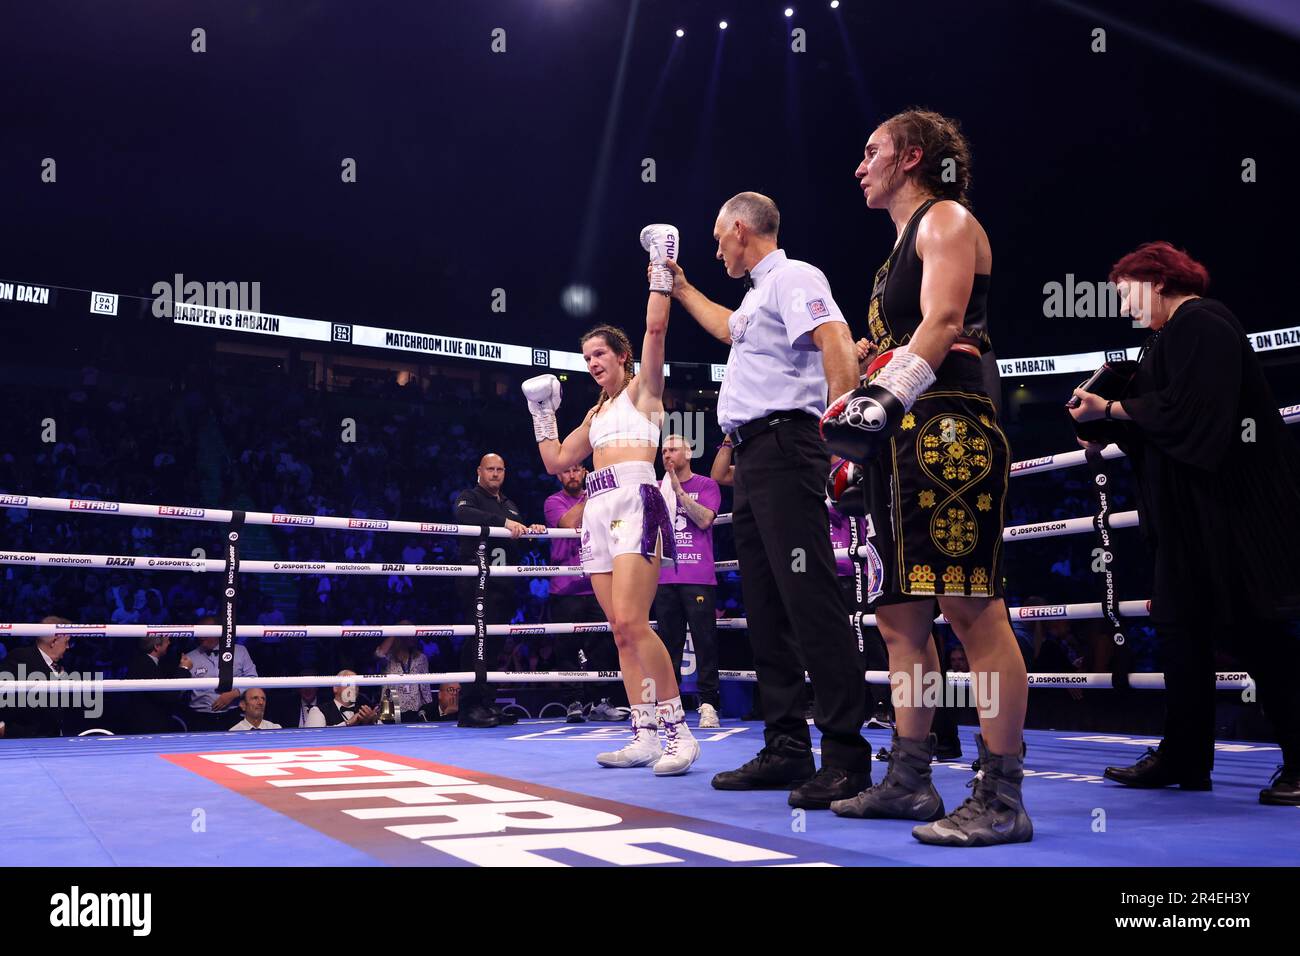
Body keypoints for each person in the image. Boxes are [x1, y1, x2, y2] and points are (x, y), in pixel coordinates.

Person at [821, 110, 1031, 845]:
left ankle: (1002, 795)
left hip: (948, 430)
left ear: (912, 156)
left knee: (971, 608)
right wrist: (856, 435)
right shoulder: (891, 260)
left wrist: (880, 399)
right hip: (900, 440)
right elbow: (891, 350)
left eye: (871, 151)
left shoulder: (946, 218)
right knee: (900, 618)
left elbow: (943, 322)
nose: (860, 165)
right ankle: (911, 779)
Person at [1069, 241, 1300, 805]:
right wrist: (1101, 422)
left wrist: (1114, 411)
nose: (1125, 307)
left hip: (1234, 514)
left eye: (1126, 293)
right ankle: (1185, 756)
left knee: (1258, 635)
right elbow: (1161, 418)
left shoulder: (1205, 322)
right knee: (1180, 632)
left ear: (1156, 280)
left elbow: (1197, 417)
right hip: (1189, 519)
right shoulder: (1163, 341)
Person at [664, 193, 871, 808]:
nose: (714, 246)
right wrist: (679, 287)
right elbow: (727, 326)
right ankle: (786, 747)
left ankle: (845, 757)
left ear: (737, 228)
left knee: (810, 602)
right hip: (753, 459)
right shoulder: (756, 297)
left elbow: (836, 339)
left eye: (716, 236)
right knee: (766, 607)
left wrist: (845, 439)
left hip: (788, 446)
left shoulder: (795, 275)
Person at [520, 223, 700, 775]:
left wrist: (660, 267)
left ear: (621, 357)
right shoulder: (593, 415)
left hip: (636, 502)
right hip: (597, 511)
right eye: (586, 359)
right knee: (620, 629)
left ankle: (679, 731)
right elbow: (555, 462)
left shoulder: (645, 391)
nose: (592, 363)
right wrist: (542, 412)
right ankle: (642, 730)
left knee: (635, 620)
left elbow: (655, 327)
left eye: (599, 354)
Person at [452, 453, 546, 728]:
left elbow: (517, 542)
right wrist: (503, 524)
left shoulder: (510, 504)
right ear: (479, 471)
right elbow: (463, 515)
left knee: (494, 645)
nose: (495, 474)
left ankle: (487, 703)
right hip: (478, 582)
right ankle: (469, 708)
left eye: (500, 469)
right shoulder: (470, 496)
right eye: (490, 469)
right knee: (478, 642)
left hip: (504, 585)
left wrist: (531, 531)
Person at [543, 462, 624, 722]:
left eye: (577, 470)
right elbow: (568, 523)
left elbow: (617, 530)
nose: (572, 475)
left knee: (604, 646)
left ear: (585, 472)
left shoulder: (604, 501)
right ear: (559, 475)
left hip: (598, 583)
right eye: (567, 470)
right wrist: (591, 496)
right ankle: (573, 702)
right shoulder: (553, 501)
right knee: (567, 648)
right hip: (566, 587)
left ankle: (601, 702)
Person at [654, 433, 723, 728]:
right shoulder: (655, 489)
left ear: (688, 453)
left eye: (673, 449)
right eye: (664, 450)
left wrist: (679, 492)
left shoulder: (706, 485)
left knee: (705, 641)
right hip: (664, 576)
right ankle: (671, 705)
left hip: (698, 576)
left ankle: (708, 704)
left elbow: (705, 519)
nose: (667, 455)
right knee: (668, 644)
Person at [0, 619, 74, 738]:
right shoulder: (22, 657)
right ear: (54, 641)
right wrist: (2, 728)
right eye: (66, 642)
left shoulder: (61, 665)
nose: (68, 647)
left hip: (53, 741)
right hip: (24, 742)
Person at [185, 618, 258, 732]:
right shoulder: (189, 657)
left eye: (205, 632)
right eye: (199, 632)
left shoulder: (240, 651)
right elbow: (180, 690)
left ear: (217, 632)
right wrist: (183, 669)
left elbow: (253, 678)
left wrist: (233, 694)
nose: (201, 637)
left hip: (233, 714)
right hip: (200, 717)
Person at [123, 633, 192, 735]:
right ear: (156, 646)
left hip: (147, 725)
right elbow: (168, 696)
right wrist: (184, 669)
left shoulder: (146, 662)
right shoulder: (145, 664)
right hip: (147, 728)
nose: (170, 643)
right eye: (167, 640)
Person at [372, 630, 435, 721]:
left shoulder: (421, 658)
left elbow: (425, 688)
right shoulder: (388, 658)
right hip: (389, 708)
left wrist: (429, 709)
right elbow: (379, 654)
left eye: (410, 634)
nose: (408, 637)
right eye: (405, 634)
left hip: (415, 707)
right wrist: (396, 631)